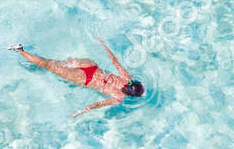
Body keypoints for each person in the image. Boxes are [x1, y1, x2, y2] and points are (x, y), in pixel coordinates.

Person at [8, 37, 146, 118]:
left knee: (55, 63)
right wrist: (79, 113)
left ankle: (31, 58)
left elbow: (114, 60)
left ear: (132, 83)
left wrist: (103, 44)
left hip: (91, 66)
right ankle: (20, 50)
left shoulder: (126, 78)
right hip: (84, 78)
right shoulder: (118, 99)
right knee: (47, 65)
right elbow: (97, 105)